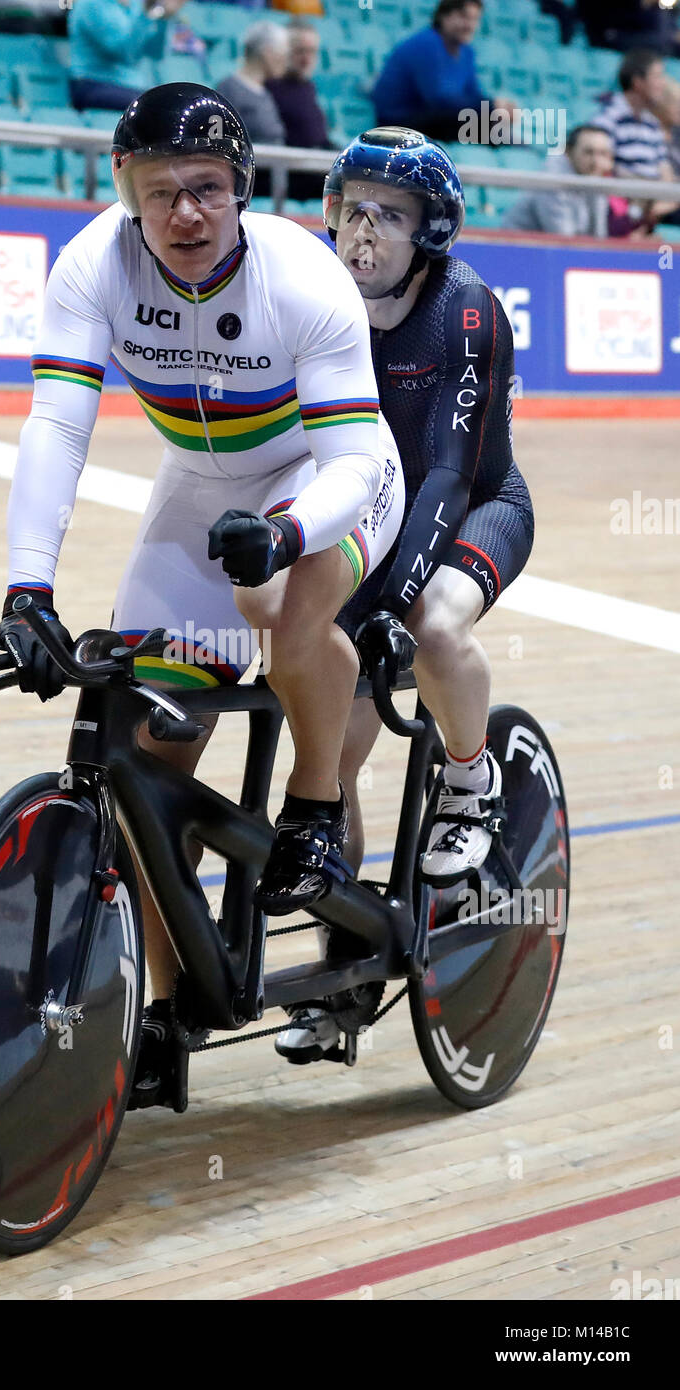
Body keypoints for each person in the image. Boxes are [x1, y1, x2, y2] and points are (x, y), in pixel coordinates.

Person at [0, 84, 405, 1107]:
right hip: (200, 490)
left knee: (278, 603)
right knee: (144, 759)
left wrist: (286, 531)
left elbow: (356, 455)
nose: (186, 212)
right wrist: (28, 588)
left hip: (327, 477)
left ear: (243, 191)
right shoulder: (94, 264)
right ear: (125, 188)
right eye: (163, 191)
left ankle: (314, 806)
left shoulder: (303, 276)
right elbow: (57, 426)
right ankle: (168, 1010)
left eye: (209, 190)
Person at [274, 128, 535, 1064]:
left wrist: (397, 594)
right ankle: (342, 975)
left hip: (469, 505)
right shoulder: (316, 301)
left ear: (430, 234)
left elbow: (447, 477)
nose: (363, 232)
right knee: (327, 765)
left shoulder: (465, 311)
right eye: (351, 210)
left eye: (389, 215)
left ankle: (469, 779)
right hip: (374, 519)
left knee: (428, 628)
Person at [372, 0, 516, 147]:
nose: (470, 26)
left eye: (475, 19)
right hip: (400, 123)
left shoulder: (466, 52)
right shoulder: (426, 44)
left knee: (492, 123)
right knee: (484, 122)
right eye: (464, 17)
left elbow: (472, 94)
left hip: (435, 119)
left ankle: (521, 151)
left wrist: (496, 108)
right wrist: (491, 106)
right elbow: (438, 98)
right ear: (443, 16)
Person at [592, 48, 680, 224]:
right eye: (658, 77)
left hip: (653, 207)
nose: (663, 84)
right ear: (638, 82)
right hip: (621, 209)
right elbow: (600, 169)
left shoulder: (652, 124)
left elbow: (665, 172)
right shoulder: (608, 120)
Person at [68, 0, 188, 112]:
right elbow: (125, 54)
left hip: (130, 88)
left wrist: (165, 18)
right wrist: (145, 14)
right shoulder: (91, 4)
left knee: (173, 106)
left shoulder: (136, 4)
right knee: (160, 109)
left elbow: (156, 53)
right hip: (93, 83)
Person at [265, 17, 336, 202]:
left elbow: (319, 138)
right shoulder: (269, 87)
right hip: (291, 172)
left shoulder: (307, 87)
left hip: (314, 167)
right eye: (299, 51)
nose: (307, 59)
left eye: (312, 52)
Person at [502, 125, 614, 237]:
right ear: (568, 151)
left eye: (603, 153)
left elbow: (599, 238)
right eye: (589, 152)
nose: (596, 162)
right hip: (516, 248)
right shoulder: (551, 181)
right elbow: (564, 241)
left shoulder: (594, 179)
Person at [216, 20, 289, 149]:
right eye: (283, 54)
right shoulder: (229, 89)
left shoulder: (266, 92)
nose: (286, 63)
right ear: (268, 53)